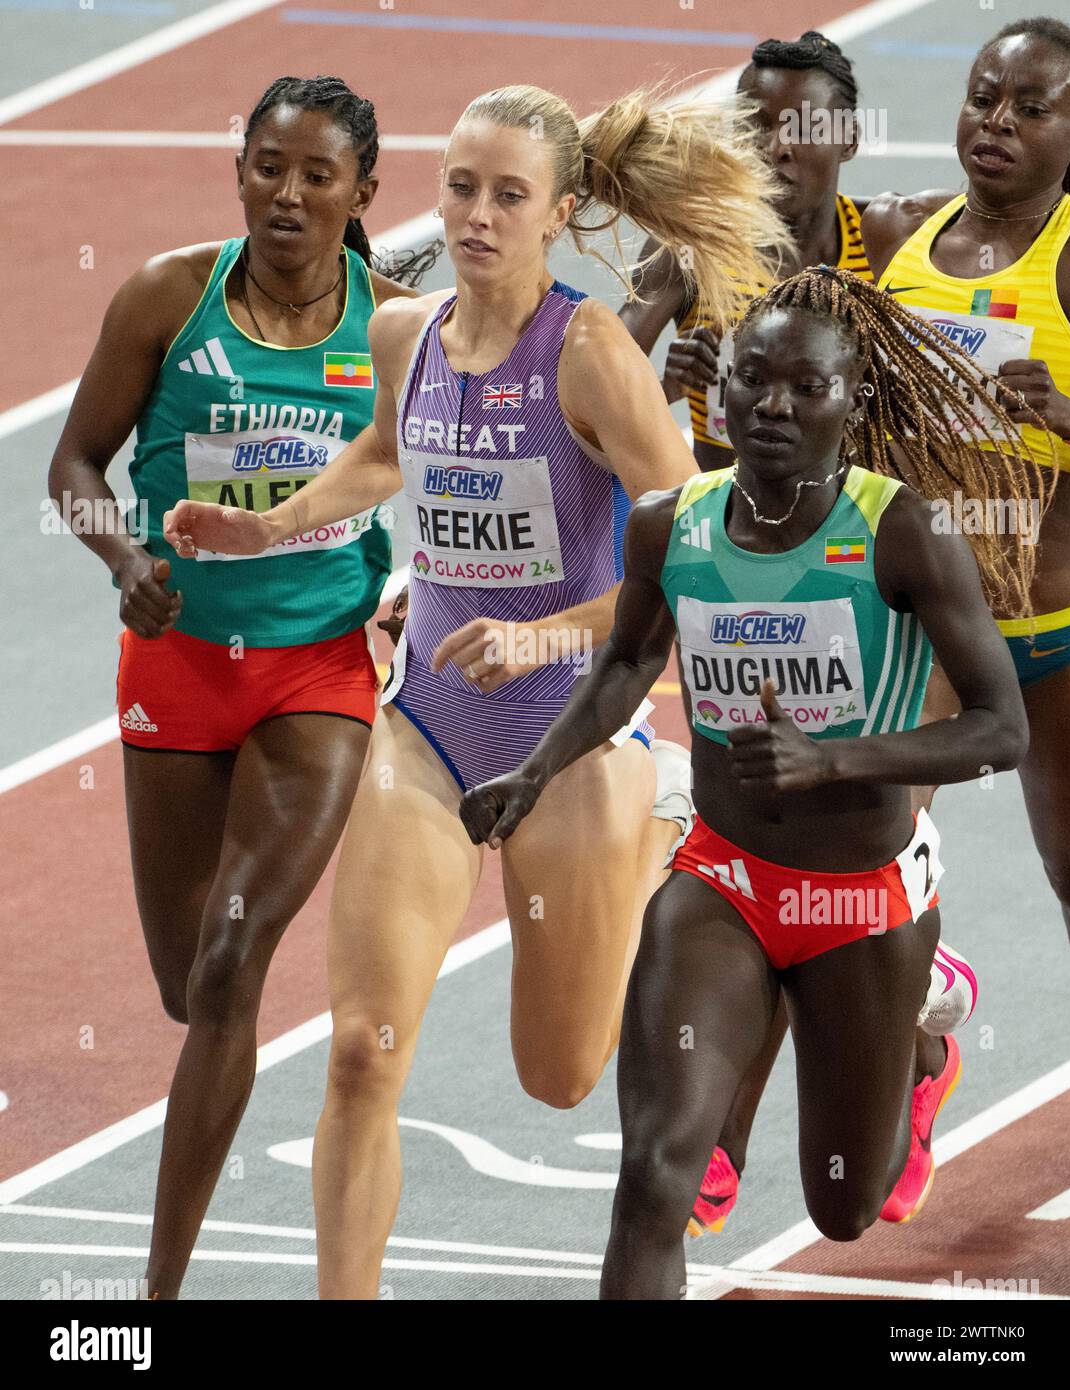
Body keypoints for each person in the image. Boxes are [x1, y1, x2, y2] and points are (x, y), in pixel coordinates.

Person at [164, 80, 787, 1298]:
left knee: (558, 1076)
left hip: (565, 743)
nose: (477, 216)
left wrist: (548, 636)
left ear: (558, 213)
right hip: (429, 734)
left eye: (509, 195)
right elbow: (388, 456)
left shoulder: (593, 353)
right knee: (358, 1053)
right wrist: (269, 527)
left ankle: (660, 814)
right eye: (460, 188)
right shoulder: (406, 333)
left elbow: (692, 560)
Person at [460, 265, 1039, 1299]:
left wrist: (837, 759)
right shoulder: (667, 524)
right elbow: (629, 661)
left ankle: (919, 1041)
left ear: (847, 404)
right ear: (718, 390)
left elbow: (1002, 727)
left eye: (802, 387)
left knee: (841, 1206)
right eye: (751, 380)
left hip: (860, 902)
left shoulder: (903, 531)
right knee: (653, 1178)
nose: (771, 404)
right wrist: (535, 771)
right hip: (722, 882)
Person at [47, 75, 436, 1301]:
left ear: (363, 193)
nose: (288, 192)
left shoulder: (393, 324)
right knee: (185, 984)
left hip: (316, 670)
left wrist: (422, 585)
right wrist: (125, 556)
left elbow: (483, 467)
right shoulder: (168, 295)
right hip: (175, 661)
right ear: (240, 172)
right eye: (268, 165)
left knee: (229, 958)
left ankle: (157, 1294)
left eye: (318, 174)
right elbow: (72, 461)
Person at [863, 16, 1070, 948]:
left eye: (1030, 109)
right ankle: (911, 1058)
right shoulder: (894, 230)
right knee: (868, 875)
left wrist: (1068, 417)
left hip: (1054, 630)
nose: (995, 121)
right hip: (925, 629)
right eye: (982, 98)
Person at [620, 31, 870, 474]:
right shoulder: (693, 245)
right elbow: (595, 390)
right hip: (726, 530)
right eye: (755, 126)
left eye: (804, 127)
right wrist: (664, 391)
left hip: (848, 530)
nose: (777, 149)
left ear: (848, 139)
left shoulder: (883, 238)